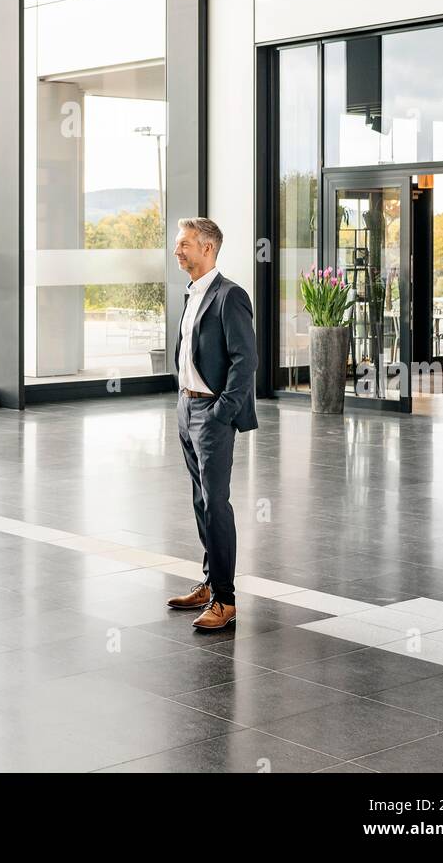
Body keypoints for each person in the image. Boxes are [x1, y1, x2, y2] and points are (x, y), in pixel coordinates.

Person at [168, 217, 258, 631]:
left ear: (208, 248)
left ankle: (225, 599)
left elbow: (246, 361)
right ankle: (209, 581)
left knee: (216, 504)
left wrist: (222, 412)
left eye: (184, 243)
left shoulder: (229, 296)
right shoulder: (192, 294)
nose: (177, 250)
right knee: (200, 501)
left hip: (212, 414)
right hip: (188, 410)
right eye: (177, 243)